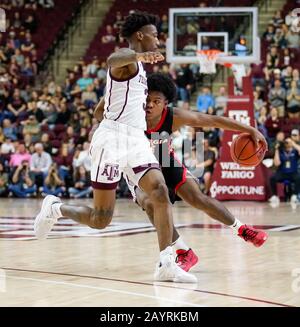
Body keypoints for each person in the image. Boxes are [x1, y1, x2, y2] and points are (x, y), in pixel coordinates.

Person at [34, 11, 196, 283]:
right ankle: (55, 208)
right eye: (155, 34)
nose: (158, 39)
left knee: (159, 191)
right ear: (140, 36)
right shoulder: (128, 61)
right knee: (100, 219)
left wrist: (112, 107)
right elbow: (113, 59)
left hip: (133, 139)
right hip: (112, 140)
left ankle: (167, 263)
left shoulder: (140, 72)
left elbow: (101, 109)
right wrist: (138, 57)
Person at [95, 73, 269, 272]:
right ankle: (183, 251)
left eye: (156, 101)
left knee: (196, 197)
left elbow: (212, 120)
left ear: (165, 103)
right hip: (137, 166)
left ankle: (242, 229)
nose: (150, 105)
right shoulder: (129, 115)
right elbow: (99, 113)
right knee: (151, 204)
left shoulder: (173, 117)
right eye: (147, 100)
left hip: (164, 159)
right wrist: (113, 94)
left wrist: (250, 129)